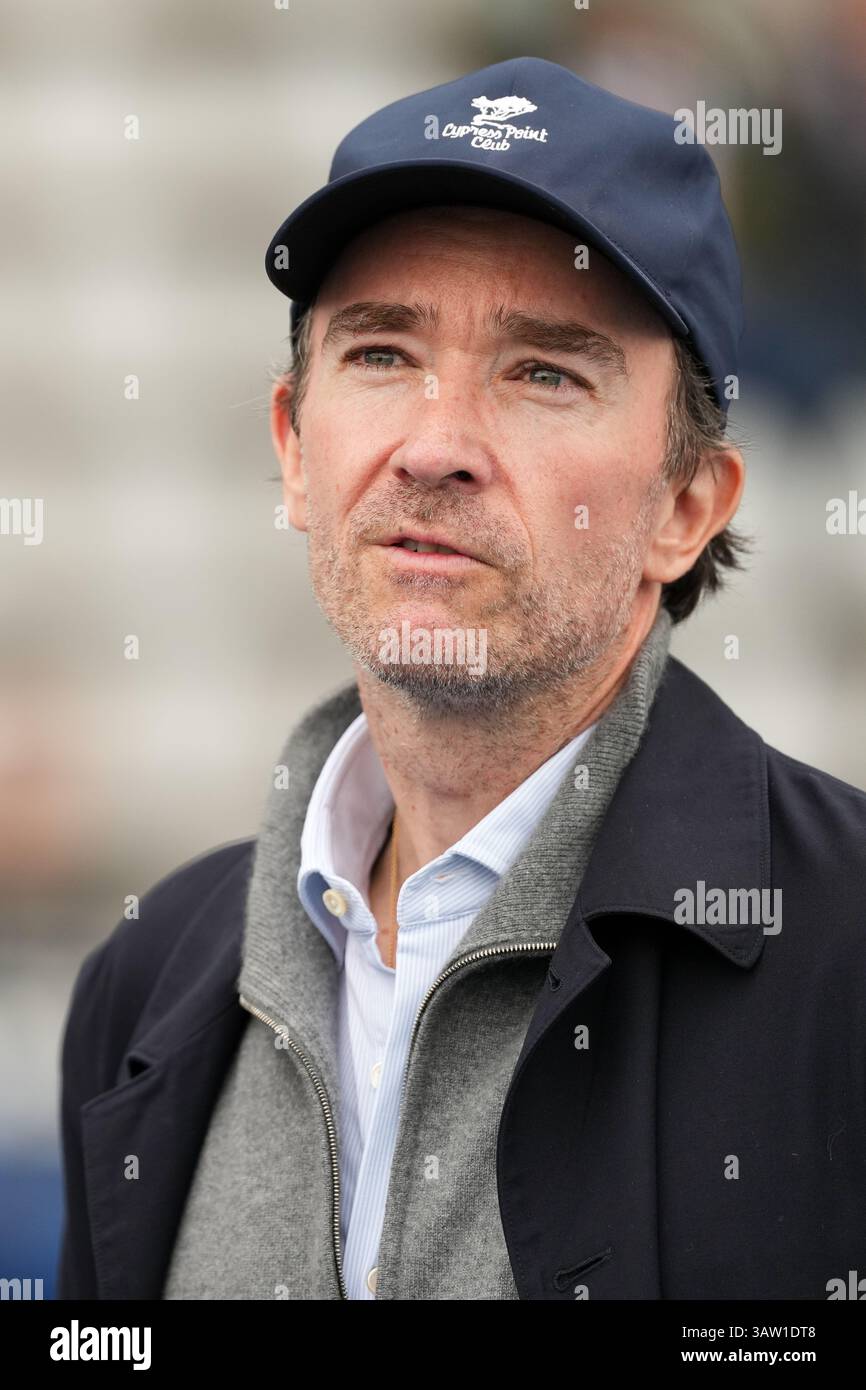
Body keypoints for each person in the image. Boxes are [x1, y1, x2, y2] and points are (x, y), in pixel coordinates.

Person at [57, 56, 866, 1301]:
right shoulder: (149, 977)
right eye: (381, 353)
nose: (434, 446)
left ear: (685, 505)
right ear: (291, 450)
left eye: (544, 371)